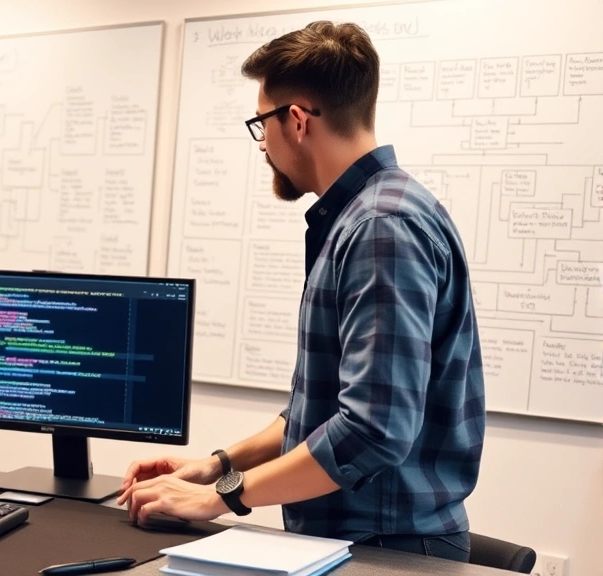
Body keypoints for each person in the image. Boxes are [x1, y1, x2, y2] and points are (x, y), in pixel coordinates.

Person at [117, 21, 485, 563]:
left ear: (295, 119)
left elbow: (371, 430)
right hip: (359, 539)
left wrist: (222, 499)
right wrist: (218, 465)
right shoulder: (362, 217)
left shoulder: (381, 226)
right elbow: (321, 407)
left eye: (260, 123)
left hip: (388, 548)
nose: (262, 143)